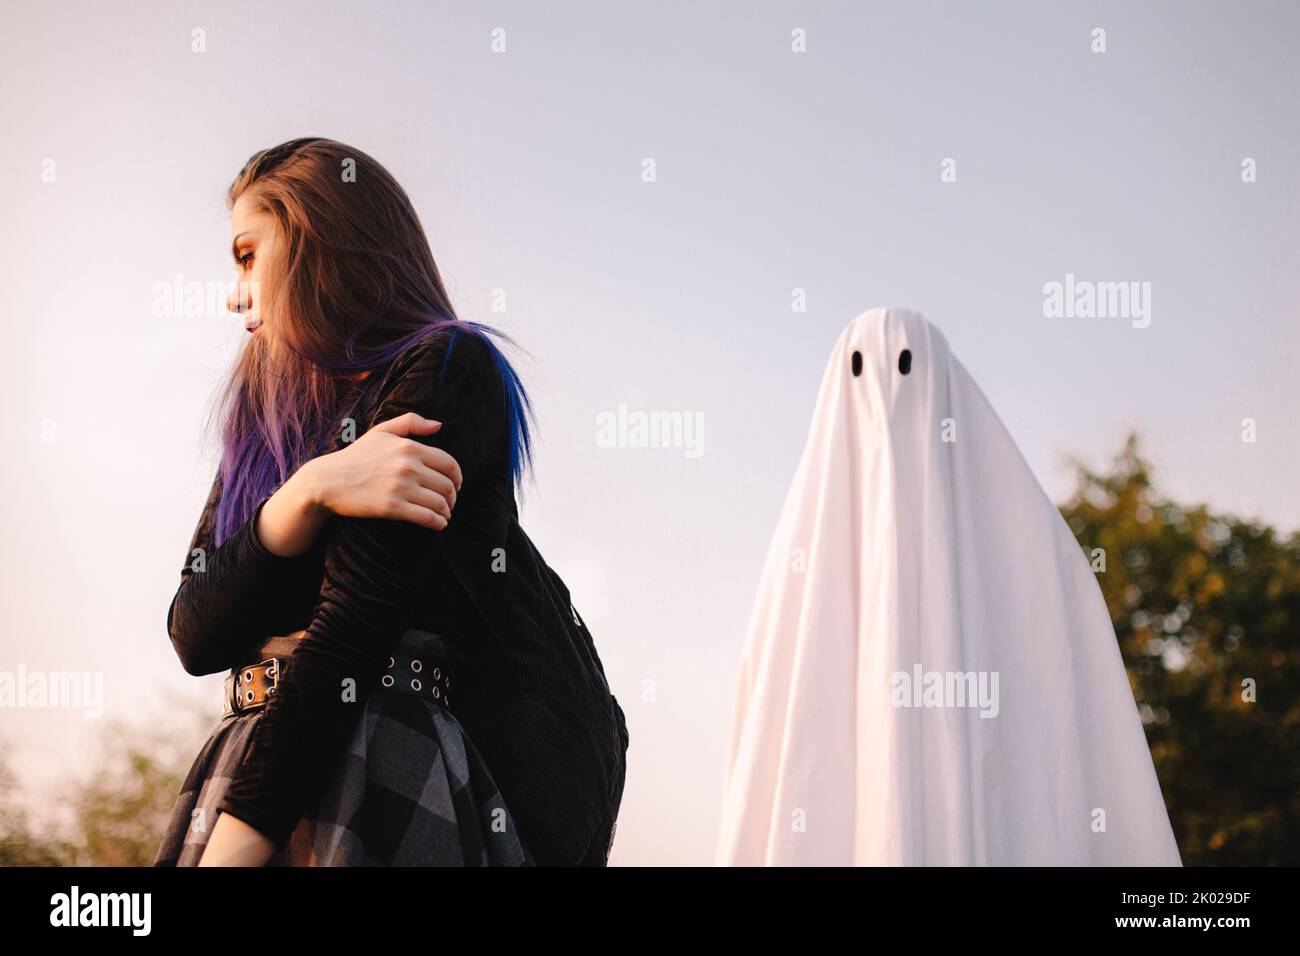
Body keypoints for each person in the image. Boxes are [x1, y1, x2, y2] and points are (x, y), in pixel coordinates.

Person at [153, 137, 628, 867]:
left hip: (373, 758)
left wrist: (232, 853)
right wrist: (307, 492)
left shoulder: (444, 367)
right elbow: (194, 630)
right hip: (247, 758)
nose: (233, 290)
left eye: (249, 255)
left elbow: (354, 628)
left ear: (318, 241)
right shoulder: (261, 428)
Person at [716, 306, 1180, 865]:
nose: (888, 406)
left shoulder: (1035, 549)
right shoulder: (794, 574)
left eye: (907, 368)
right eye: (862, 369)